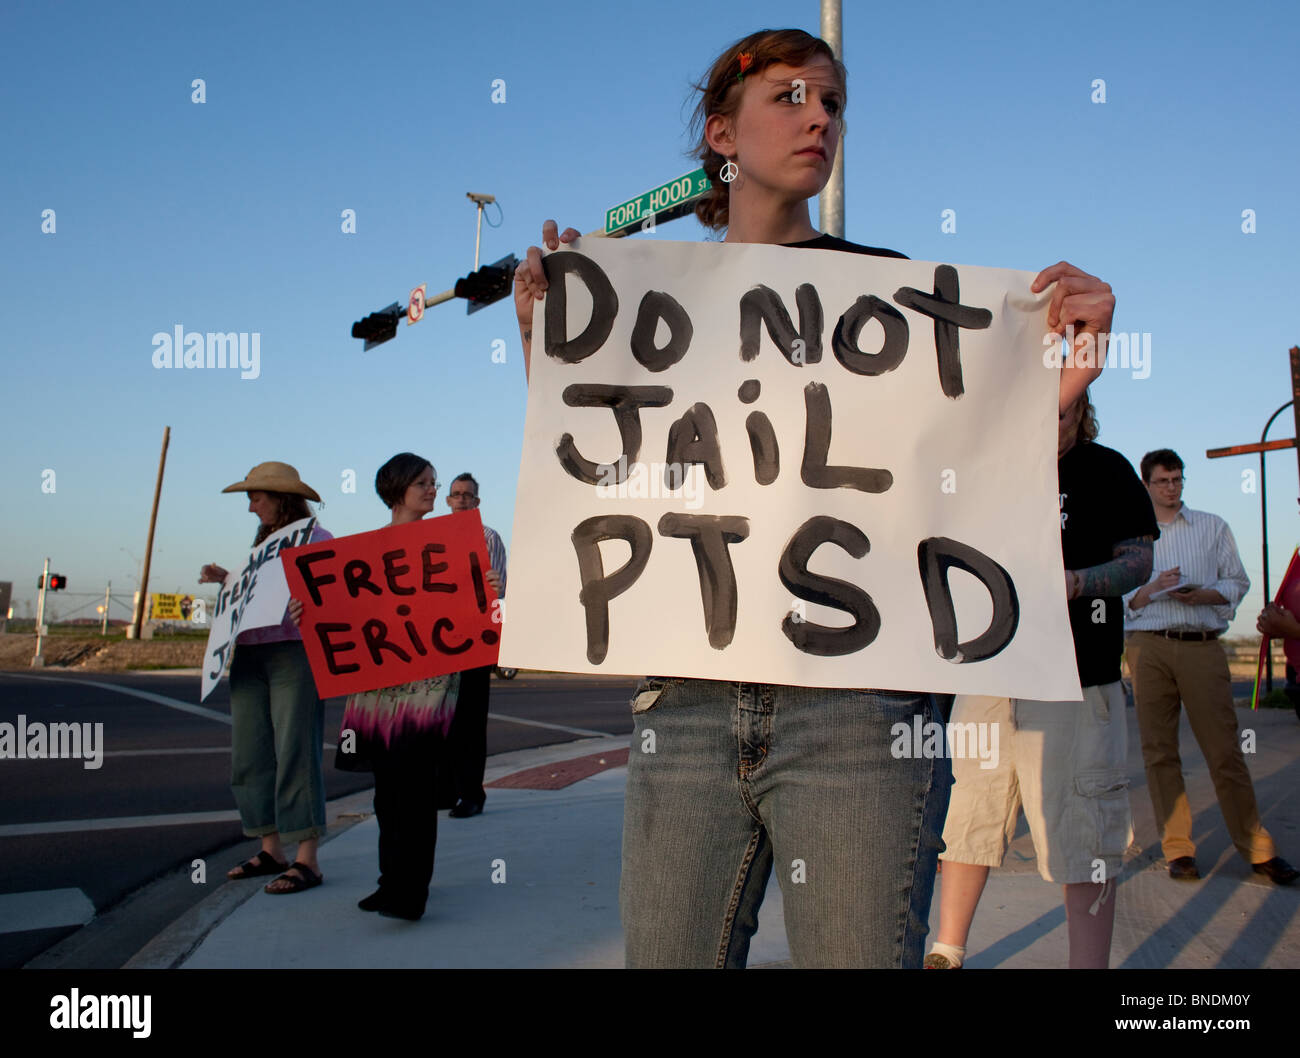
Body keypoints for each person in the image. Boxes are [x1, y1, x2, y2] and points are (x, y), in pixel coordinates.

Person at [512, 28, 1116, 967]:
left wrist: (1062, 386)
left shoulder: (888, 289)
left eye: (832, 103)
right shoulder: (638, 296)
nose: (820, 118)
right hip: (687, 702)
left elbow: (963, 476)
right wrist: (545, 346)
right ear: (721, 132)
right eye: (791, 96)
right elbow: (609, 467)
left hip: (860, 711)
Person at [925, 393, 1156, 969]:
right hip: (990, 669)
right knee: (967, 816)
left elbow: (1138, 562)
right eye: (1041, 411)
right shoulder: (990, 468)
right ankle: (946, 952)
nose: (1053, 423)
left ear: (1084, 410)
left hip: (1076, 676)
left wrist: (1079, 581)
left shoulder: (1109, 469)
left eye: (1064, 412)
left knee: (1083, 831)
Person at [289, 455, 503, 920]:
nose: (432, 489)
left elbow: (481, 609)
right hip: (379, 689)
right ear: (398, 488)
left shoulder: (452, 544)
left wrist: (490, 586)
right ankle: (390, 881)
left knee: (417, 791)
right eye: (423, 483)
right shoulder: (365, 552)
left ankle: (412, 892)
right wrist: (309, 613)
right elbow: (344, 613)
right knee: (387, 793)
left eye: (433, 483)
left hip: (429, 689)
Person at [1123, 450, 1298, 885]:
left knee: (1224, 751)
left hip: (1201, 643)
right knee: (1160, 753)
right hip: (1148, 646)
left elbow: (1237, 581)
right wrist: (1153, 588)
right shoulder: (1130, 536)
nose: (1172, 487)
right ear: (1146, 484)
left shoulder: (1212, 526)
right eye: (1163, 481)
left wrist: (1203, 595)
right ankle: (1178, 850)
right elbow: (1121, 599)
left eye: (1178, 479)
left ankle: (1258, 850)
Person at [199, 461, 333, 895]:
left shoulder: (317, 538)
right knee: (251, 754)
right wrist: (227, 580)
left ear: (280, 498)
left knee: (295, 750)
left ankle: (307, 860)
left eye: (256, 498)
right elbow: (254, 597)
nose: (252, 507)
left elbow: (331, 596)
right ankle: (271, 848)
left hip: (296, 654)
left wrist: (309, 603)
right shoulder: (261, 545)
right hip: (251, 654)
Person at [442, 473, 509, 819]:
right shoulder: (432, 539)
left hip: (472, 642)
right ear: (448, 500)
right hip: (436, 644)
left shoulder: (489, 538)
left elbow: (496, 593)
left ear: (477, 502)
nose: (462, 499)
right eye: (456, 494)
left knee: (469, 721)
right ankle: (446, 788)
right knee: (439, 719)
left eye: (468, 495)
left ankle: (471, 793)